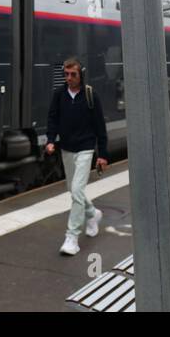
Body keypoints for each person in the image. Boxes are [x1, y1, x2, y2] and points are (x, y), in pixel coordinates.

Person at [45, 56, 108, 256]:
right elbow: (52, 118)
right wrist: (50, 140)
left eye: (73, 74)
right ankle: (93, 214)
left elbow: (100, 126)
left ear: (81, 75)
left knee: (77, 190)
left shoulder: (91, 95)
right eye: (66, 74)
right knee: (73, 190)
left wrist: (102, 154)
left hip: (85, 148)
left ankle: (72, 237)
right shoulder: (59, 95)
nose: (69, 78)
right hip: (66, 148)